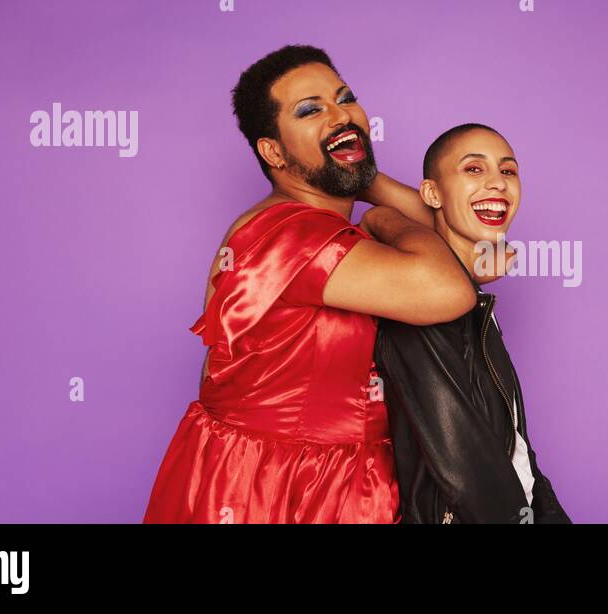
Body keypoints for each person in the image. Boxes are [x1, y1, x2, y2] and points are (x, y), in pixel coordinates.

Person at [143, 45, 473, 523]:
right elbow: (450, 288)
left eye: (345, 98)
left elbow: (458, 238)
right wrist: (380, 211)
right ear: (273, 151)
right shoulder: (292, 235)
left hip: (333, 479)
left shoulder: (325, 232)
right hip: (278, 488)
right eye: (311, 110)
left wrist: (366, 180)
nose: (341, 116)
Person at [374, 124, 570, 524]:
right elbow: (466, 472)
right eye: (474, 170)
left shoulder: (474, 301)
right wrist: (381, 214)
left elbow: (516, 451)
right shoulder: (424, 305)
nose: (498, 183)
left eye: (508, 171)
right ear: (431, 194)